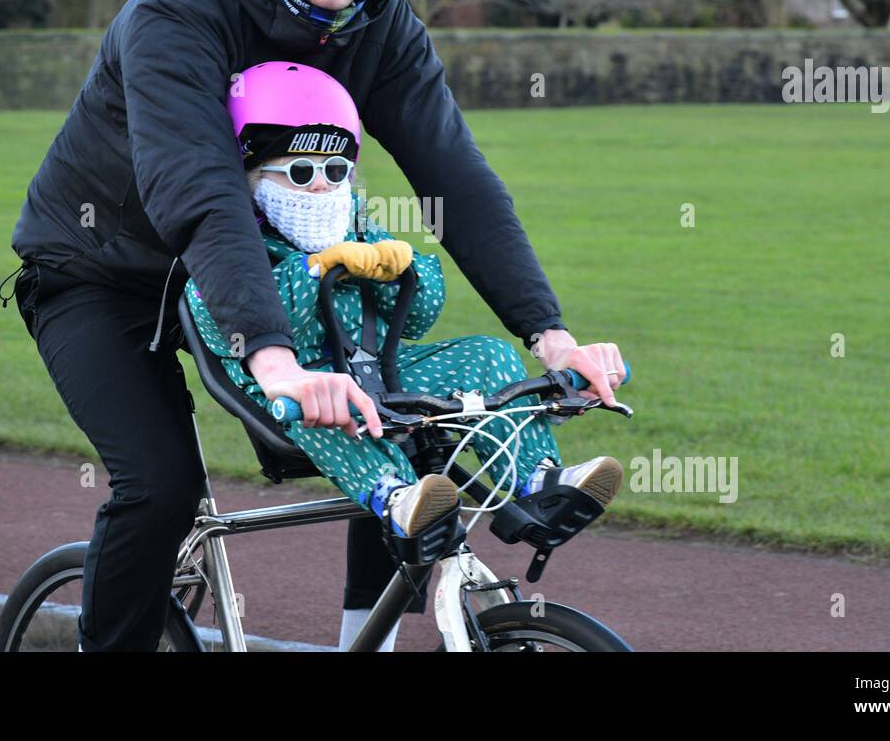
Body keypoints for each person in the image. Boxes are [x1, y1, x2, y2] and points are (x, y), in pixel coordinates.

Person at [3, 0, 628, 653]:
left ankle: (359, 643)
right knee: (159, 484)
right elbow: (201, 192)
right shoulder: (176, 19)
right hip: (104, 273)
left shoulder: (380, 27)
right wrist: (275, 358)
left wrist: (551, 337)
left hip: (277, 273)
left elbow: (459, 180)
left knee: (401, 417)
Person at [183, 62, 625, 651]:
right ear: (247, 175)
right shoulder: (228, 242)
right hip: (290, 393)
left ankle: (535, 483)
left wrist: (403, 269)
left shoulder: (355, 223)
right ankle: (394, 498)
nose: (321, 185)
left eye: (335, 170)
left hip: (381, 373)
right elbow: (225, 319)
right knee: (330, 393)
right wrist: (318, 267)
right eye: (299, 171)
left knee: (488, 356)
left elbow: (416, 319)